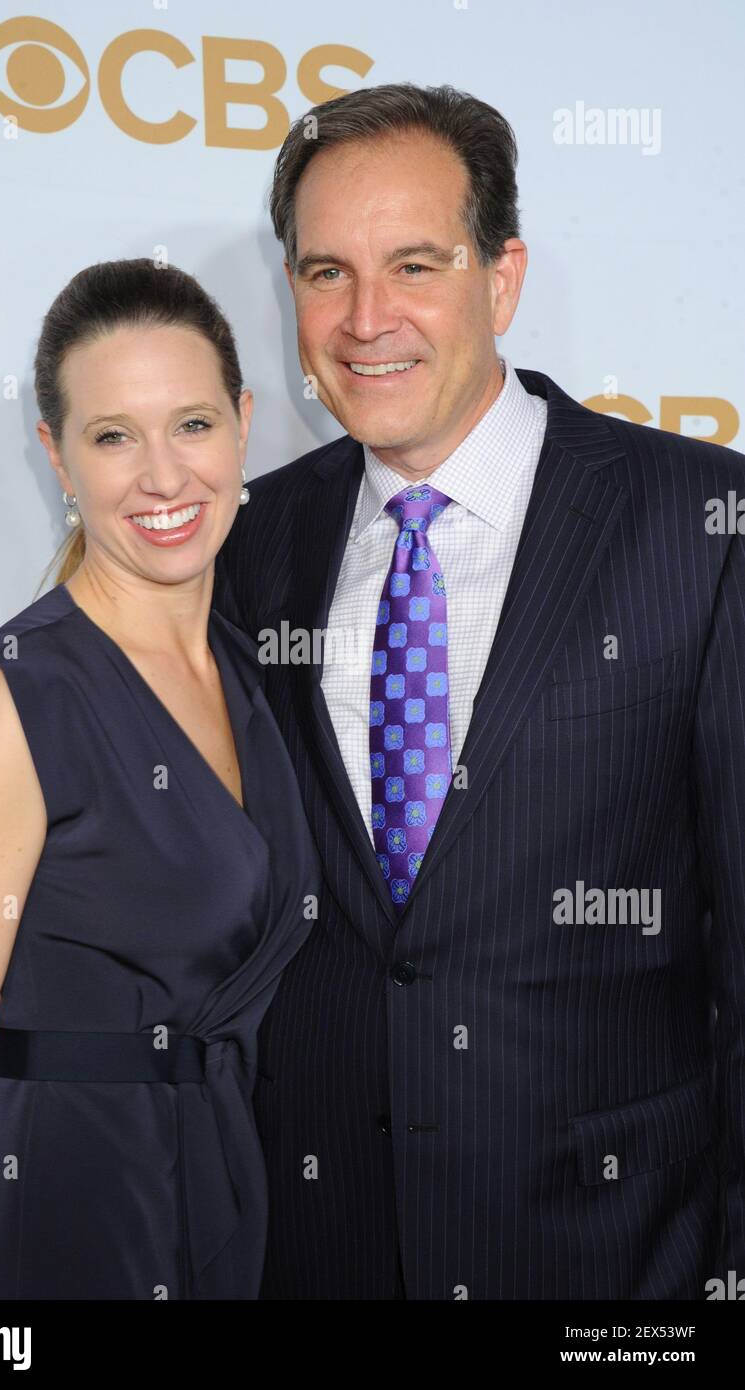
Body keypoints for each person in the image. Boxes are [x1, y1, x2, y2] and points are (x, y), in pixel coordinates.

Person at [209, 83, 745, 1299]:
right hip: (316, 1253)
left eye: (413, 264)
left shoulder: (700, 528)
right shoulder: (248, 548)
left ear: (500, 279)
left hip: (616, 1268)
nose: (365, 318)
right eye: (324, 272)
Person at [0, 258, 320, 1300]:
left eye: (194, 424)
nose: (163, 477)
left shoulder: (250, 674)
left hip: (226, 1199)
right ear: (57, 455)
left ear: (245, 422)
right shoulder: (17, 701)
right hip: (76, 1215)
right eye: (113, 435)